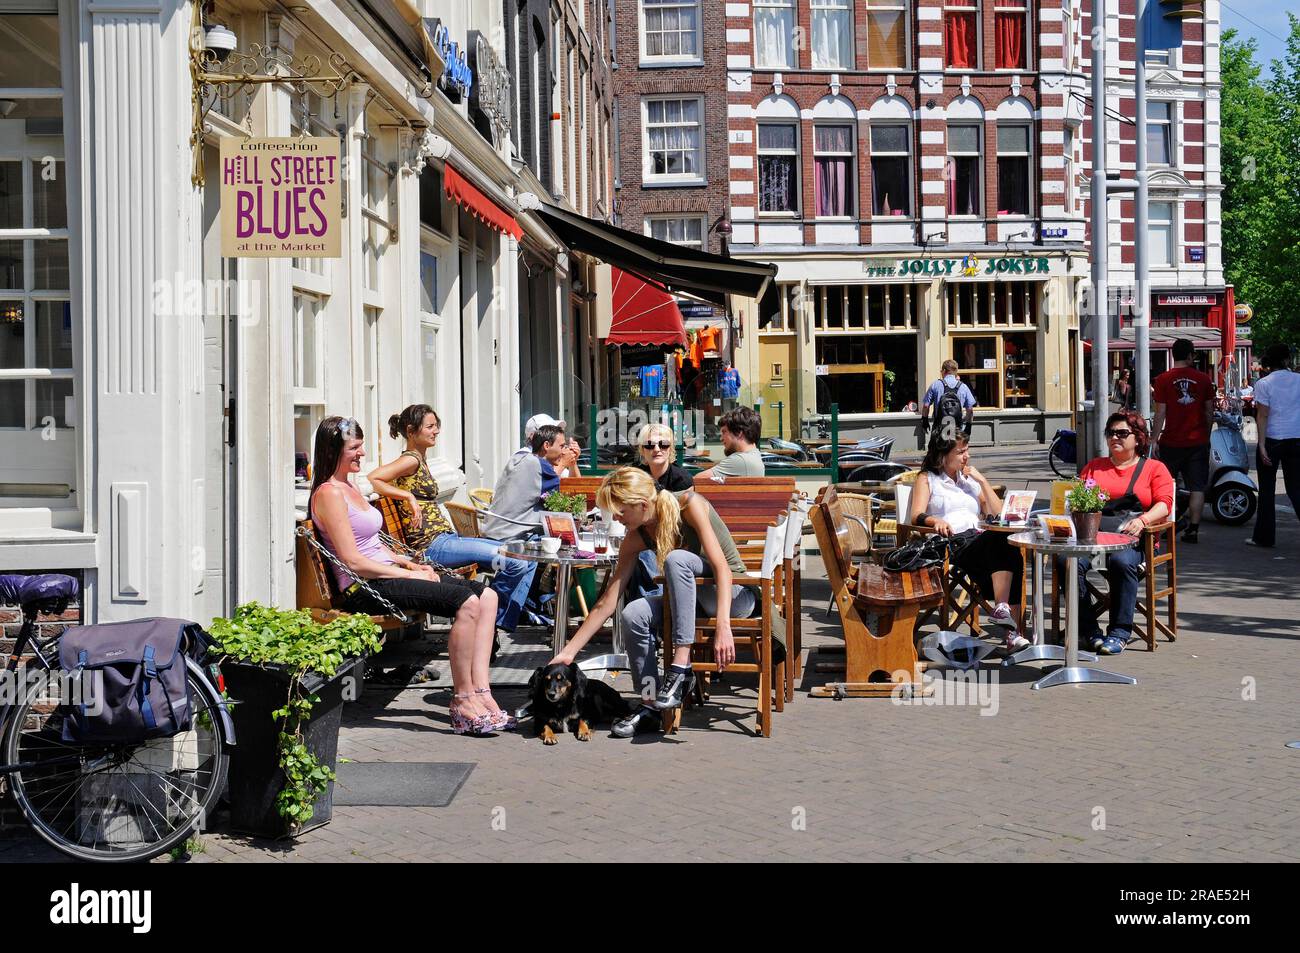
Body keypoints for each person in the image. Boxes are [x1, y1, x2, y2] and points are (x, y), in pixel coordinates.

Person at [308, 416, 511, 736]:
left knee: (487, 595)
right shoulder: (329, 493)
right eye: (354, 448)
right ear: (333, 450)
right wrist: (403, 572)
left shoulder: (350, 486)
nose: (362, 453)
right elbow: (353, 561)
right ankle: (461, 700)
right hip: (364, 587)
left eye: (361, 446)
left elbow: (373, 545)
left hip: (385, 575)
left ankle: (481, 692)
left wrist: (411, 564)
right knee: (468, 602)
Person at [549, 467, 773, 738]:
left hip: (735, 595)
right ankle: (649, 704)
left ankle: (681, 669)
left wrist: (723, 625)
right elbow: (608, 601)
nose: (617, 520)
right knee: (633, 613)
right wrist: (568, 653)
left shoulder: (690, 505)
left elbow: (723, 569)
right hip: (688, 604)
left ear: (643, 505)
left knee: (676, 559)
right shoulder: (636, 536)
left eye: (621, 512)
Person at [367, 404, 538, 633]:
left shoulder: (420, 458)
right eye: (430, 426)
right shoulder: (411, 460)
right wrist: (406, 495)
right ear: (411, 431)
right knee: (515, 561)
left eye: (436, 426)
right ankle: (489, 625)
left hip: (446, 540)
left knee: (525, 556)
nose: (436, 431)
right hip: (432, 547)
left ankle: (492, 623)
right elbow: (374, 478)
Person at [906, 433, 1029, 651]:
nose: (966, 456)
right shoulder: (927, 479)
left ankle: (1005, 616)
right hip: (951, 543)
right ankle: (1011, 630)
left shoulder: (969, 481)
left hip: (980, 542)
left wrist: (981, 480)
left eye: (967, 450)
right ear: (943, 456)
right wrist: (935, 520)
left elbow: (1000, 514)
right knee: (1002, 544)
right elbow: (916, 515)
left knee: (1010, 546)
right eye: (961, 452)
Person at [1072, 411, 1175, 655]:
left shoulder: (1154, 468)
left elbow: (1165, 503)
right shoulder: (1094, 467)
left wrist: (1143, 520)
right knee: (1068, 562)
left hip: (1137, 542)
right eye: (1111, 433)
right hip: (1094, 540)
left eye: (1122, 433)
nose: (1114, 438)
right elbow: (1076, 498)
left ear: (1138, 438)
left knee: (1120, 562)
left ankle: (1119, 632)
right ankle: (1089, 630)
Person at [1151, 339, 1215, 543]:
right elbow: (1209, 411)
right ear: (1190, 355)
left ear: (1173, 354)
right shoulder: (1204, 379)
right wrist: (1207, 433)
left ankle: (1168, 524)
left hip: (1171, 441)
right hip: (1198, 442)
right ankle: (1193, 530)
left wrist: (1154, 439)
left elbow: (1160, 413)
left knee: (1166, 485)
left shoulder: (1162, 379)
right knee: (1197, 486)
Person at [1248, 344, 1300, 548]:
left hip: (1273, 438)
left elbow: (1262, 415)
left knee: (1267, 490)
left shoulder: (1264, 383)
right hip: (1296, 438)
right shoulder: (1298, 380)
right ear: (1287, 360)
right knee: (1296, 489)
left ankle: (1264, 536)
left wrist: (1260, 445)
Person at [481, 423, 568, 539]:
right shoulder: (542, 467)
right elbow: (557, 510)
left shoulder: (518, 457)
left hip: (490, 530)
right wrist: (563, 464)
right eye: (562, 446)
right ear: (546, 445)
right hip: (513, 537)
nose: (563, 452)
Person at [698, 406, 764, 480]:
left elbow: (697, 481)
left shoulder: (741, 460)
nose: (721, 438)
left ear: (739, 433)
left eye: (724, 432)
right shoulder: (754, 455)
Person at [511, 413, 580, 477]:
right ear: (533, 436)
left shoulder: (551, 459)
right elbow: (540, 483)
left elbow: (576, 487)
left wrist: (572, 461)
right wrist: (562, 464)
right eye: (550, 431)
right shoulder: (522, 457)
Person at [923, 360, 976, 441]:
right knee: (955, 451)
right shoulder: (963, 387)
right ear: (955, 371)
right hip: (957, 429)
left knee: (936, 451)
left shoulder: (935, 385)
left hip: (939, 427)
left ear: (944, 371)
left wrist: (925, 421)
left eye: (941, 371)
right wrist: (968, 426)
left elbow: (926, 406)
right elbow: (970, 410)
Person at [635, 422, 693, 492]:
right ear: (642, 450)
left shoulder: (682, 479)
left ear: (670, 448)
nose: (656, 449)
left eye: (663, 444)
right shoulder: (635, 477)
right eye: (649, 445)